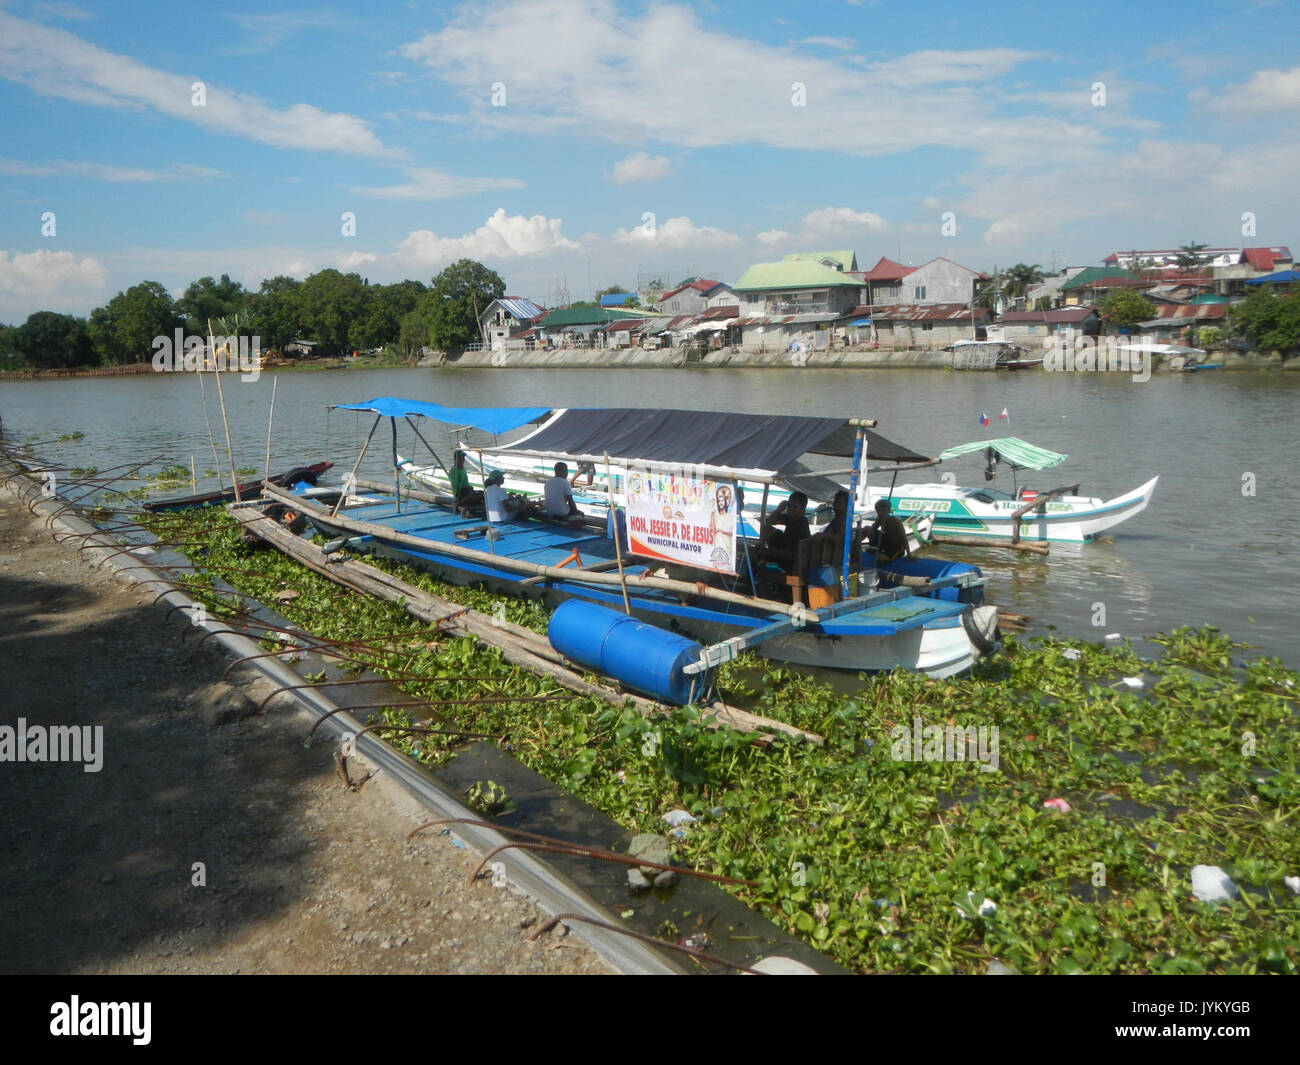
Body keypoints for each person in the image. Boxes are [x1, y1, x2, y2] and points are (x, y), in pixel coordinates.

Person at [759, 492, 810, 565]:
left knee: (762, 556)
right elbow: (770, 521)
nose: (790, 509)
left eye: (795, 507)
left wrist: (771, 551)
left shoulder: (801, 524)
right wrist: (779, 509)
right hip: (785, 551)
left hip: (791, 560)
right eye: (789, 505)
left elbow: (792, 551)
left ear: (802, 509)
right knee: (767, 529)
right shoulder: (791, 517)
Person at [864, 499, 910, 563]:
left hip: (897, 548)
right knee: (866, 528)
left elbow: (903, 537)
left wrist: (909, 554)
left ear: (888, 511)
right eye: (878, 511)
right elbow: (873, 529)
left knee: (881, 559)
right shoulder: (879, 519)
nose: (880, 513)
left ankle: (883, 555)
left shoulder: (895, 521)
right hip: (887, 542)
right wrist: (871, 532)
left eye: (882, 511)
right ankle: (855, 547)